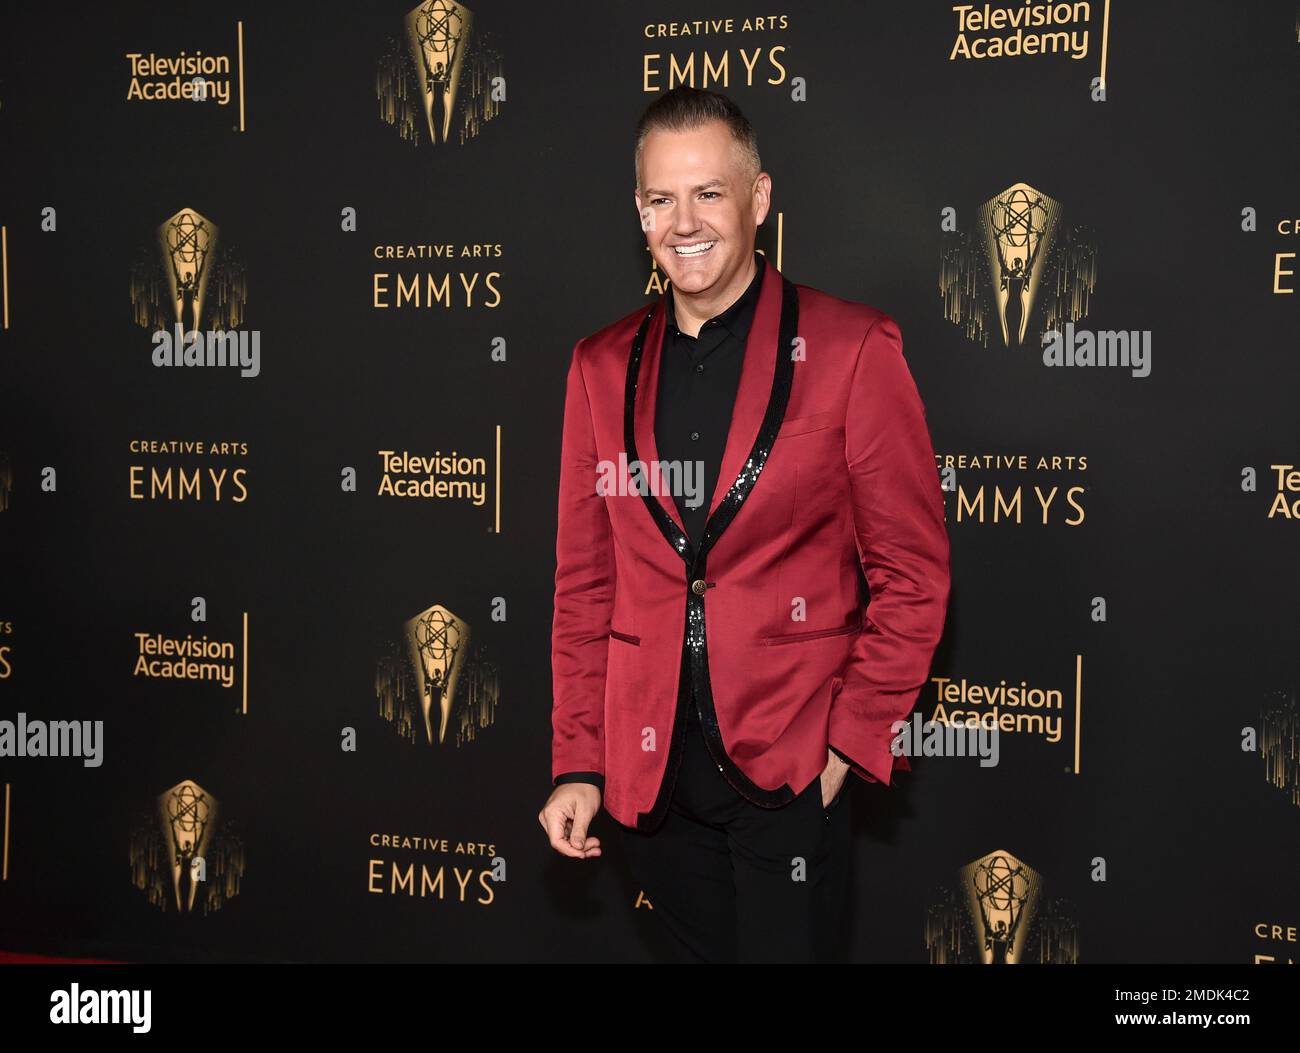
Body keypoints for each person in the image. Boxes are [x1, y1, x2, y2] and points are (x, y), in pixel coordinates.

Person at [538, 85, 950, 963]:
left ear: (759, 200)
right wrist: (580, 759)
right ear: (638, 211)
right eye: (661, 198)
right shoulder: (597, 367)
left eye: (709, 193)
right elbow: (585, 585)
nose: (684, 222)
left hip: (789, 774)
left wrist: (846, 746)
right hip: (647, 785)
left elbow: (913, 574)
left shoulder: (850, 350)